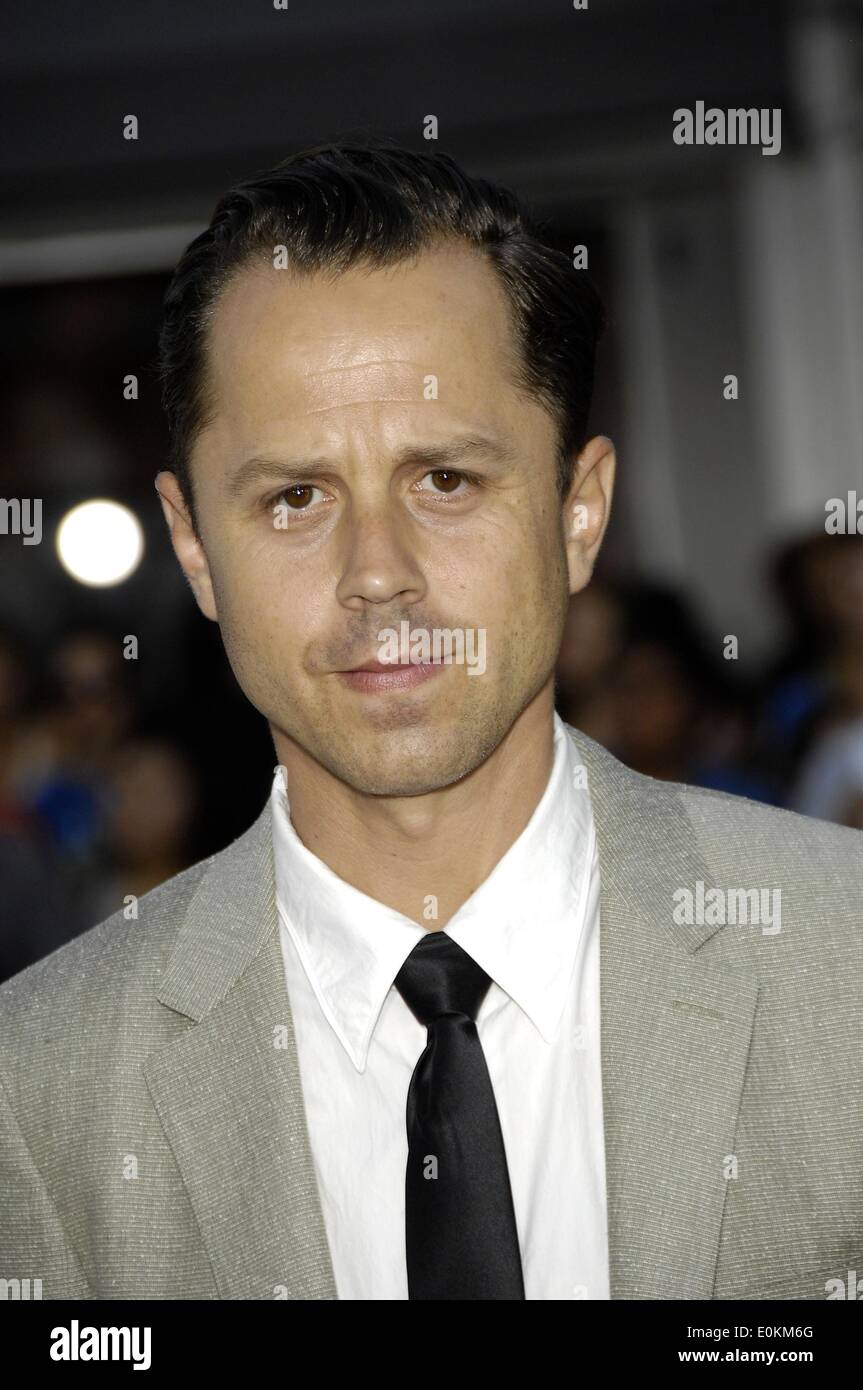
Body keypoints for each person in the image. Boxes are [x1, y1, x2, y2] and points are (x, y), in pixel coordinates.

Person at [1, 142, 861, 1302]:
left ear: (578, 511)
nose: (377, 575)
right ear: (196, 547)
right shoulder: (37, 1088)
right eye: (295, 497)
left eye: (445, 481)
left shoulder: (839, 963)